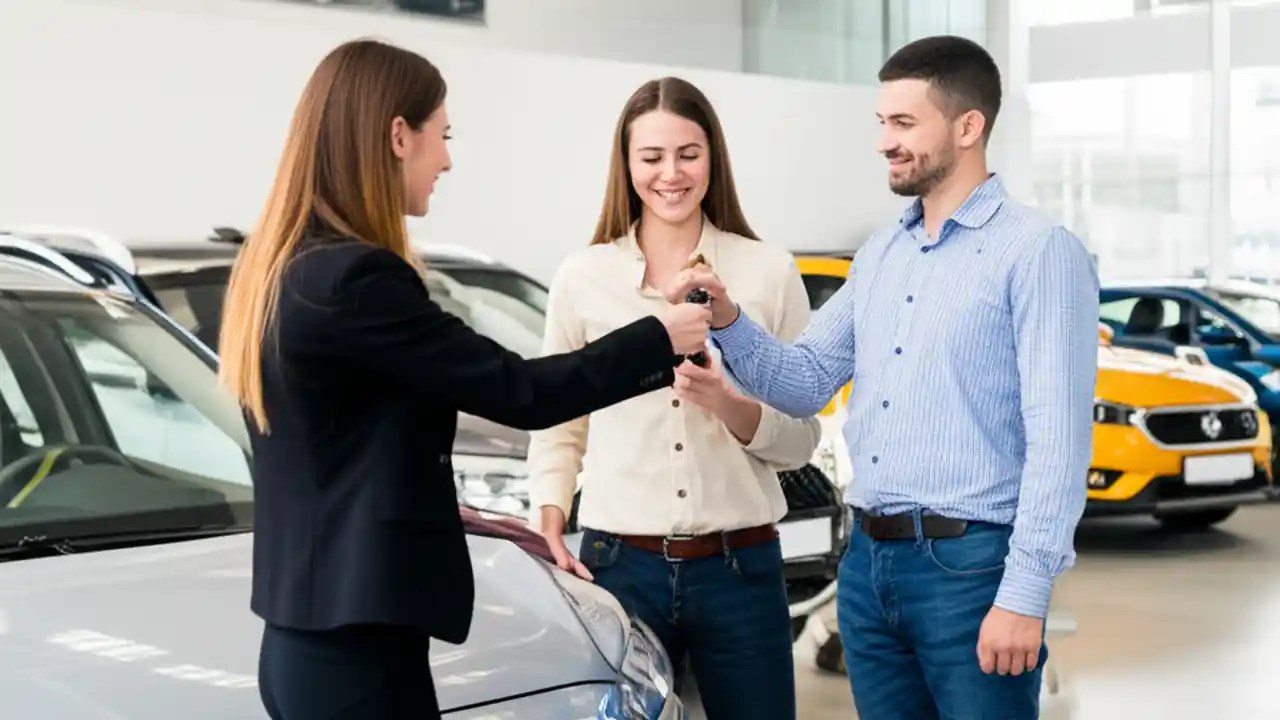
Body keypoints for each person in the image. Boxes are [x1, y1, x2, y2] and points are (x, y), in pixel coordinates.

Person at [215, 39, 713, 720]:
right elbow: (519, 391)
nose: (446, 160)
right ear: (398, 136)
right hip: (356, 650)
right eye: (441, 136)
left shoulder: (282, 265)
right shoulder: (359, 280)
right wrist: (661, 336)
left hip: (309, 635)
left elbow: (338, 450)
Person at [665, 36, 1099, 720]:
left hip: (972, 570)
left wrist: (1025, 592)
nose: (884, 142)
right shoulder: (882, 253)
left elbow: (1061, 441)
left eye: (903, 123)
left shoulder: (1038, 251)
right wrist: (728, 318)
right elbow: (805, 379)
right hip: (868, 569)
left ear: (967, 126)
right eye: (881, 123)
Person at [527, 76, 822, 720]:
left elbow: (803, 437)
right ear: (626, 164)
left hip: (741, 566)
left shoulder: (767, 271)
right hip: (617, 567)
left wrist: (729, 405)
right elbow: (558, 421)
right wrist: (548, 511)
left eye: (688, 153)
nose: (671, 174)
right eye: (651, 157)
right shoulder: (583, 277)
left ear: (713, 157)